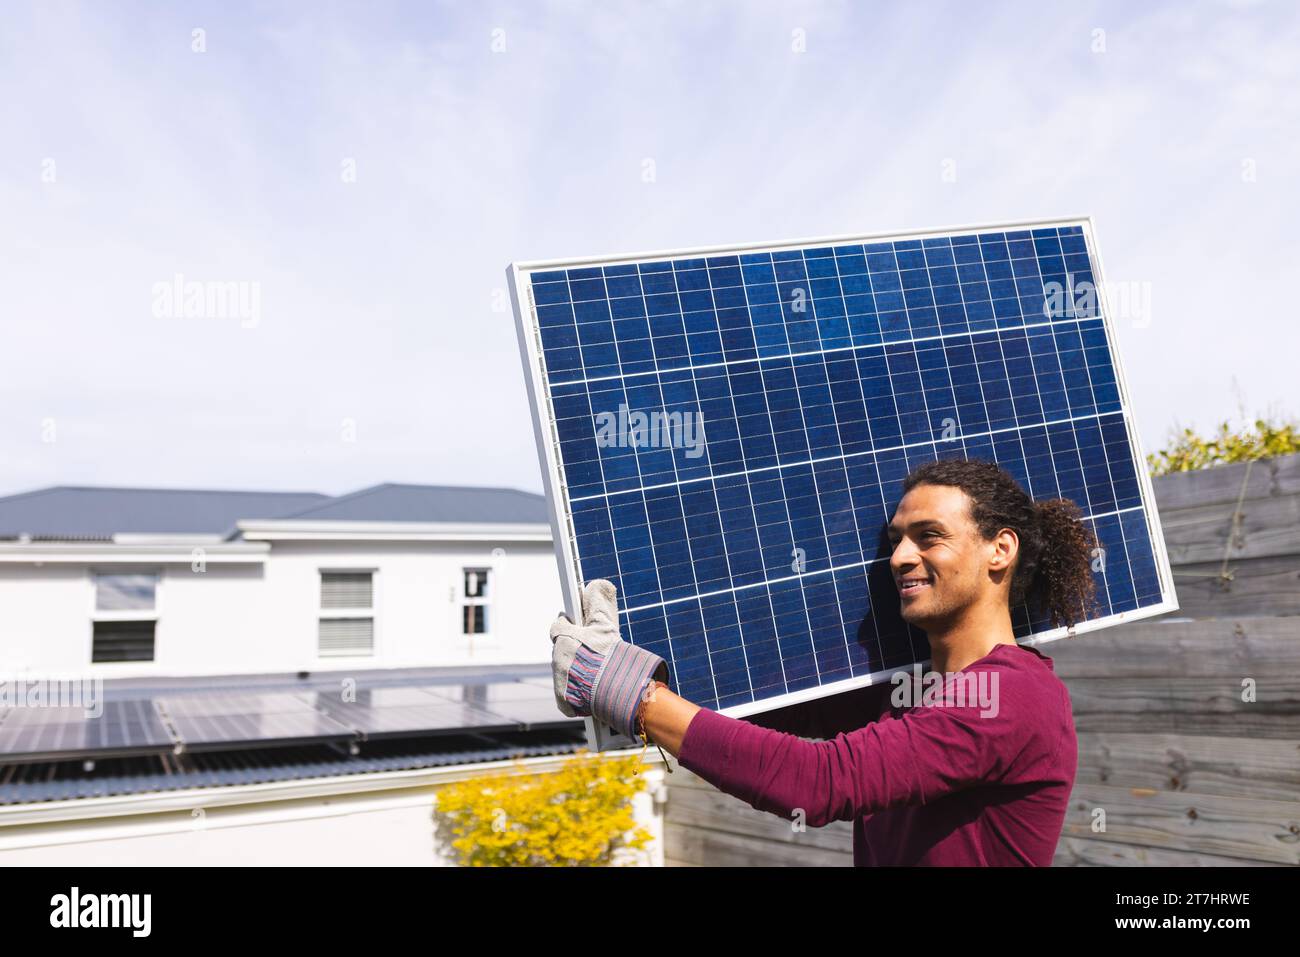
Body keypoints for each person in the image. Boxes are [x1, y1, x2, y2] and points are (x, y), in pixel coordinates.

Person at [549, 458, 1100, 866]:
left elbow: (819, 781)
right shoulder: (905, 689)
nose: (901, 557)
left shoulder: (1014, 697)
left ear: (999, 550)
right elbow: (751, 711)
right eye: (896, 540)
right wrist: (636, 680)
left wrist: (636, 697)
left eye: (929, 537)